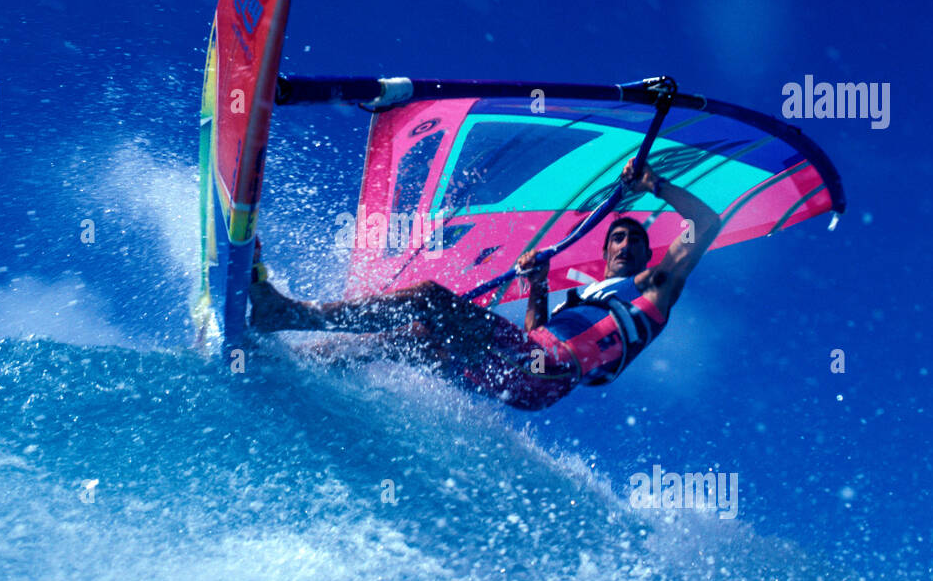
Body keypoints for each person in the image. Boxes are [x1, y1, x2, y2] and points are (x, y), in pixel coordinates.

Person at [248, 160, 721, 409]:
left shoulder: (653, 288)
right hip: (525, 377)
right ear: (604, 252)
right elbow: (536, 329)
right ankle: (299, 362)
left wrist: (654, 185)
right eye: (616, 237)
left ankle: (287, 314)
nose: (623, 244)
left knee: (429, 299)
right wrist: (538, 283)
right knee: (418, 340)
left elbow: (708, 221)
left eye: (633, 239)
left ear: (646, 253)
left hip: (547, 375)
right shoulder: (584, 299)